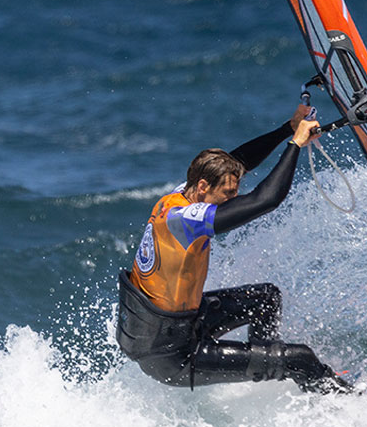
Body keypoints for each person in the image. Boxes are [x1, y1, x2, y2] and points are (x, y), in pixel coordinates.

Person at [116, 105, 351, 392]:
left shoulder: (182, 194)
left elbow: (238, 160)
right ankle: (356, 409)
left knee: (265, 297)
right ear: (203, 187)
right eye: (227, 194)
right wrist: (296, 144)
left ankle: (265, 370)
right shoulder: (184, 220)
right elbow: (265, 200)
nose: (232, 200)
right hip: (173, 356)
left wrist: (287, 129)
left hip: (180, 326)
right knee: (300, 358)